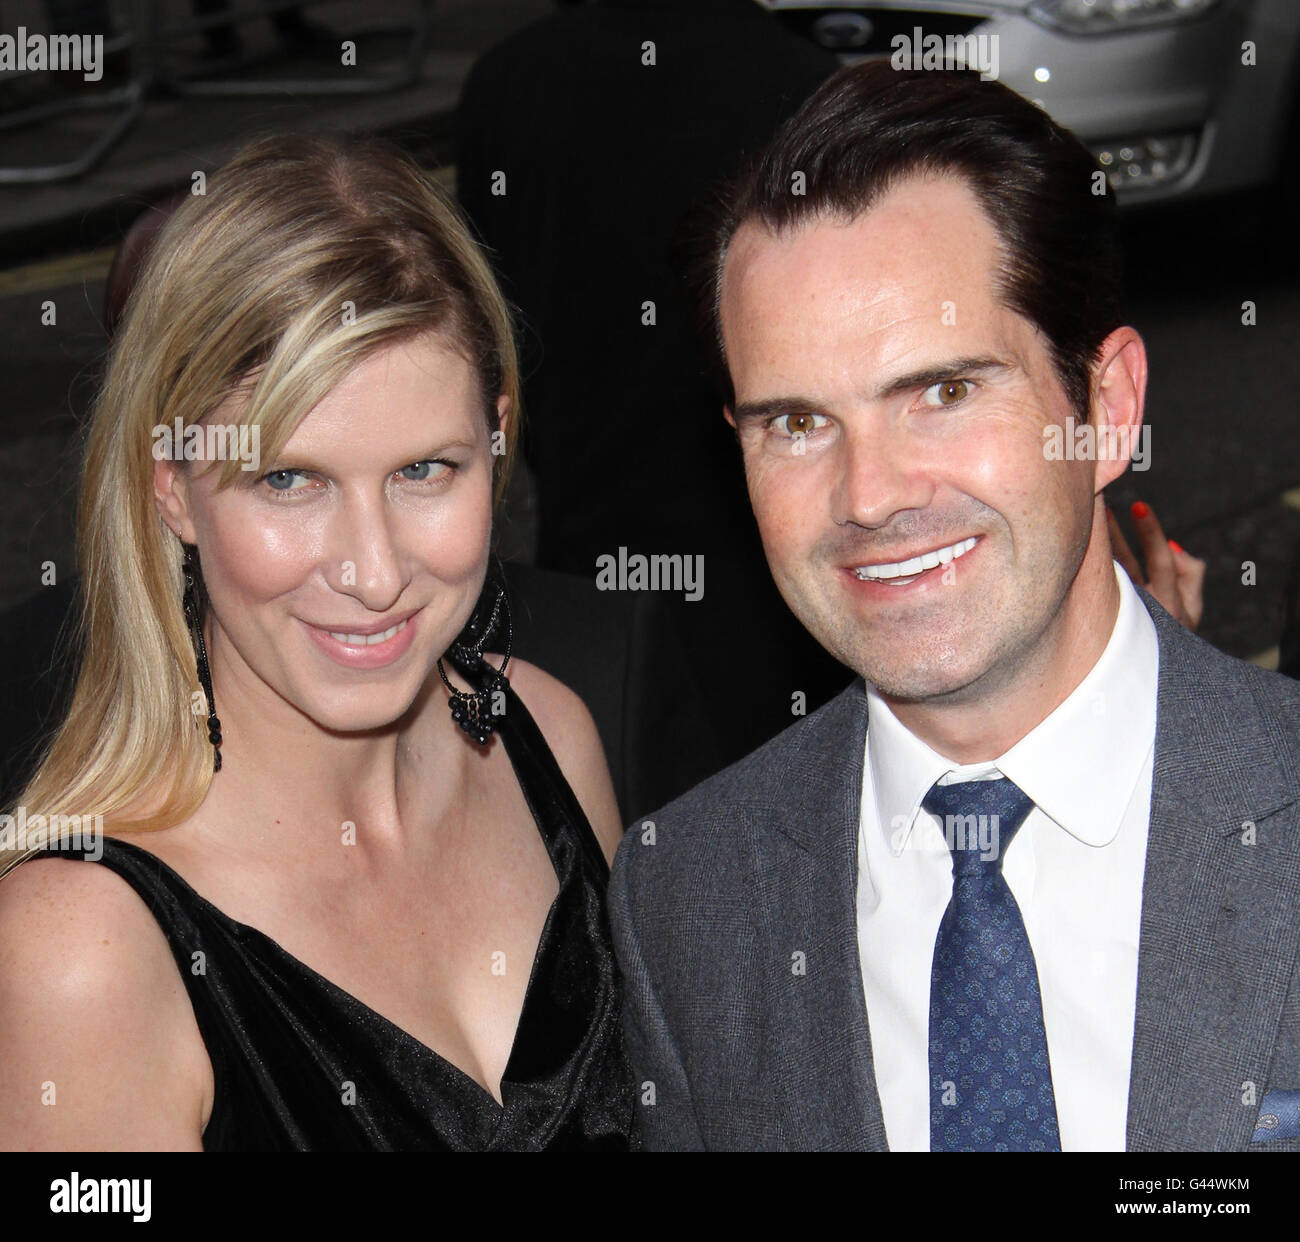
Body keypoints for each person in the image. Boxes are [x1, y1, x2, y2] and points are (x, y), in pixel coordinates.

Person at [608, 61, 1300, 1152]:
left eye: (941, 392)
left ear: (1105, 410)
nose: (870, 496)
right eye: (794, 423)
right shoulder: (684, 902)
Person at [0, 133, 637, 1151]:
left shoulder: (548, 737)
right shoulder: (85, 945)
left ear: (499, 440)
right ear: (173, 487)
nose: (372, 572)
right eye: (289, 481)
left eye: (425, 470)